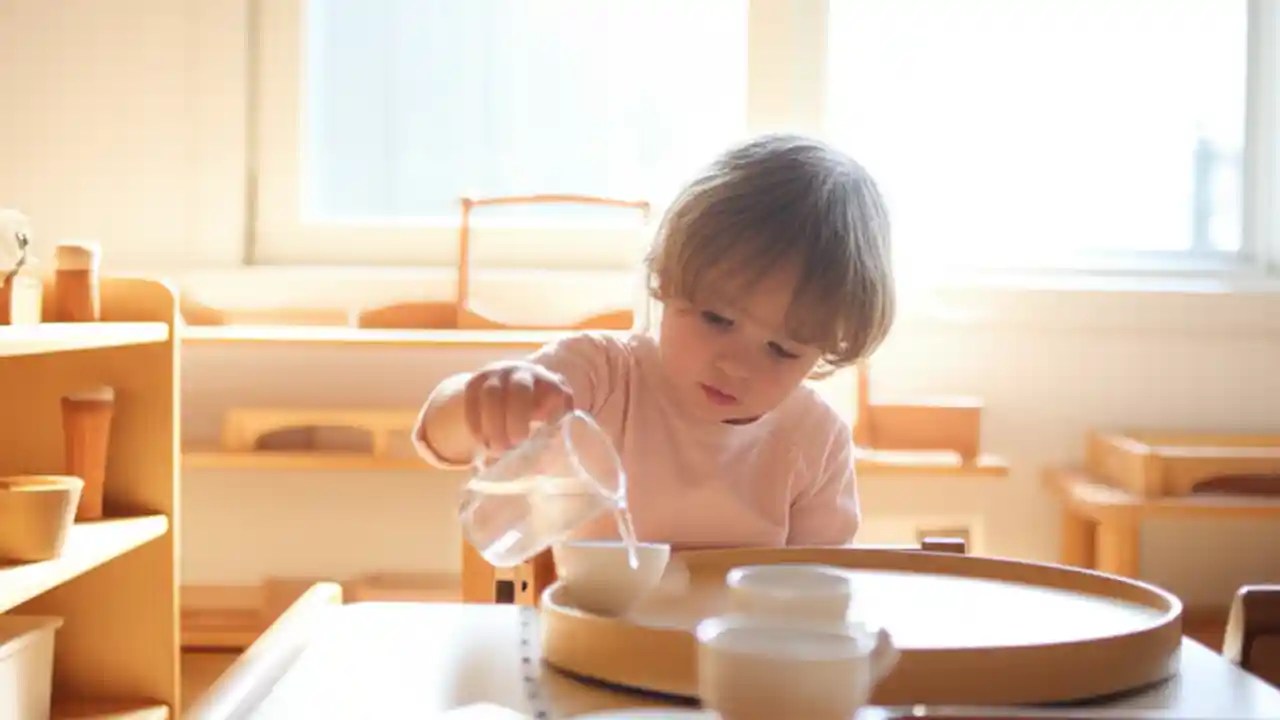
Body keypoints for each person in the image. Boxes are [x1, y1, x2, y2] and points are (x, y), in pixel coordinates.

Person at [412, 133, 895, 548]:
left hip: (739, 656)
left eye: (782, 351)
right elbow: (441, 437)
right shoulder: (600, 375)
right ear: (666, 278)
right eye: (716, 319)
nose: (736, 366)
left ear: (823, 352)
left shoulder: (814, 441)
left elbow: (825, 586)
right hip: (592, 646)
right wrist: (488, 401)